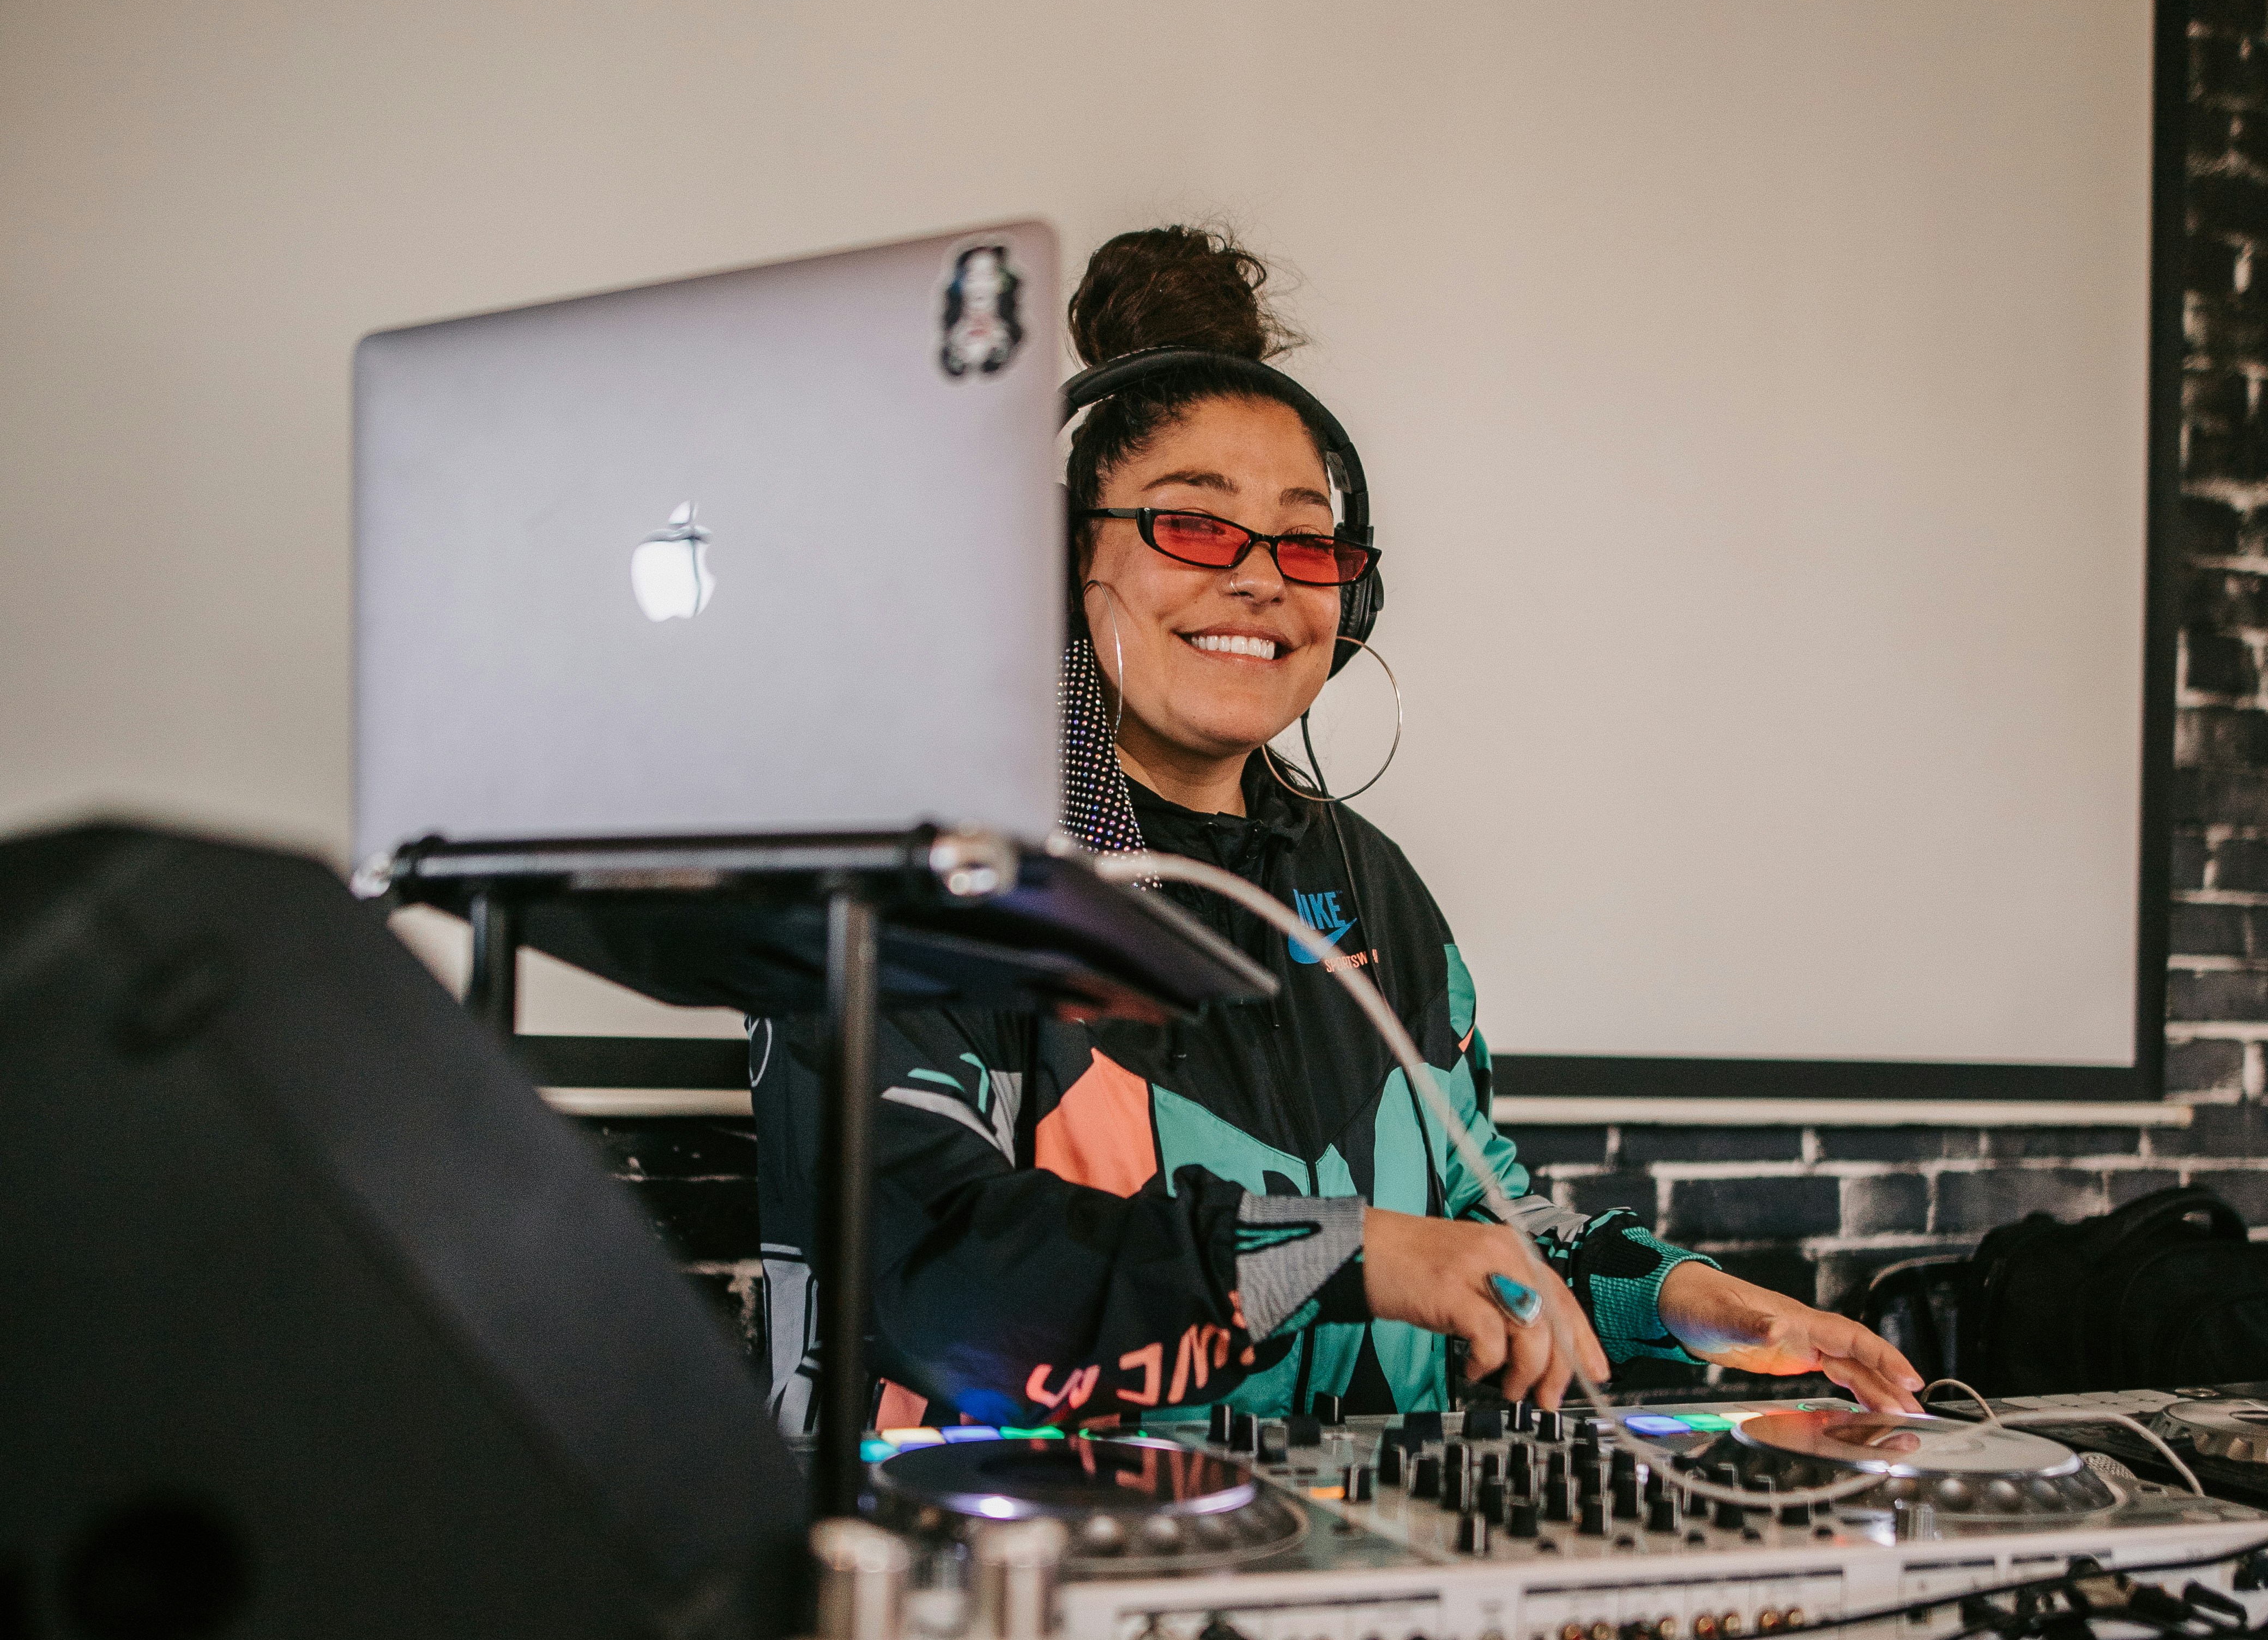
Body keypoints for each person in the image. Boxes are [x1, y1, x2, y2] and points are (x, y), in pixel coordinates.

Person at [751, 225, 1919, 1432]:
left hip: (1349, 1563)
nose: (1260, 578)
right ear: (1057, 561)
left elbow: (1485, 1225)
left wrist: (1693, 1299)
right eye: (1192, 525)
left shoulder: (1369, 883)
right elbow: (928, 1270)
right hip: (1010, 1576)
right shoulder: (924, 875)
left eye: (1306, 540)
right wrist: (1346, 1251)